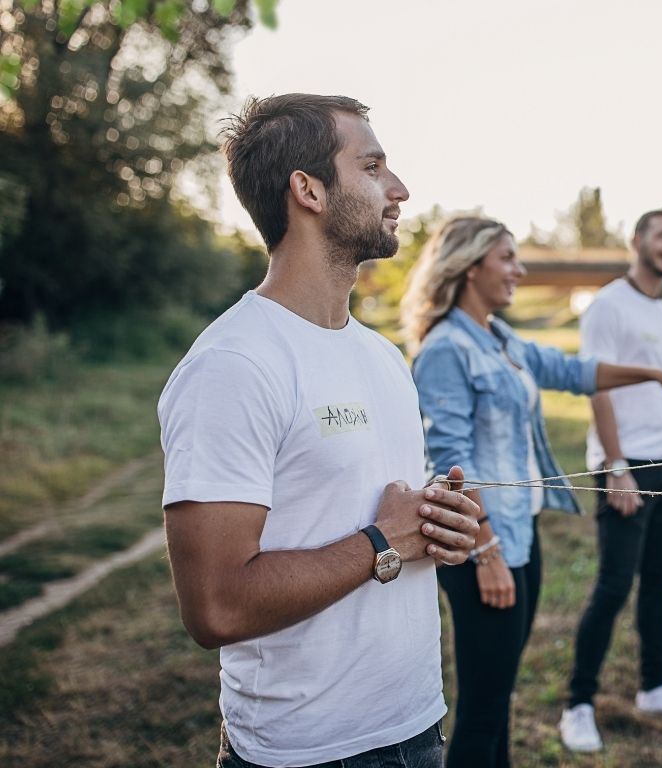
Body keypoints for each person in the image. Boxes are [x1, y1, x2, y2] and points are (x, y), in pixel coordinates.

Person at [158, 94, 482, 768]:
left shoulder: (382, 357)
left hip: (417, 725)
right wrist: (379, 542)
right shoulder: (234, 365)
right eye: (372, 167)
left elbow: (374, 513)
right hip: (308, 753)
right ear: (307, 189)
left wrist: (433, 521)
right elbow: (215, 609)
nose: (399, 190)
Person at [402, 215, 662, 768]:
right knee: (481, 710)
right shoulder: (447, 348)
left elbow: (572, 370)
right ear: (471, 267)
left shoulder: (498, 337)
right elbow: (451, 464)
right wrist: (486, 551)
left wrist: (657, 376)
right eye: (508, 259)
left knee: (498, 700)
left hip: (520, 536)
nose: (519, 270)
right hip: (483, 547)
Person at [559, 207, 662, 754]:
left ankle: (656, 686)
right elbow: (598, 387)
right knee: (613, 585)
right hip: (627, 465)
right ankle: (578, 704)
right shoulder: (607, 306)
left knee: (658, 579)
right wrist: (617, 466)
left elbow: (654, 381)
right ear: (637, 241)